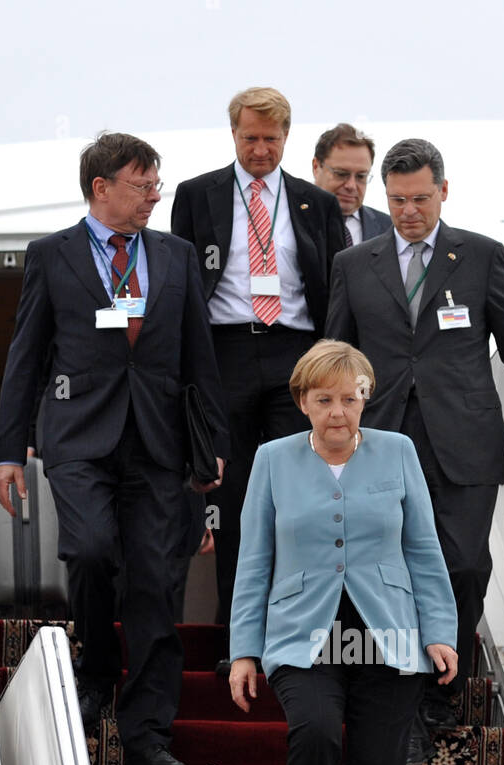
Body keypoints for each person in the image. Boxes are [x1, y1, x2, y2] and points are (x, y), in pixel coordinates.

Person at [325, 137, 504, 765]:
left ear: (443, 192)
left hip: (463, 442)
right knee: (381, 571)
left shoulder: (478, 256)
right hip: (381, 443)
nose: (408, 211)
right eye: (397, 200)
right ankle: (399, 699)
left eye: (420, 199)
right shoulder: (355, 264)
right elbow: (333, 358)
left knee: (462, 567)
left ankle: (438, 687)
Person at [0, 132, 228, 765]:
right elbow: (26, 356)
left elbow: (198, 357)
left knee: (154, 580)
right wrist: (8, 450)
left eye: (156, 182)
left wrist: (212, 448)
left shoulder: (176, 256)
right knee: (93, 549)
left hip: (158, 442)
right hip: (77, 437)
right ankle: (95, 668)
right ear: (101, 188)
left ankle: (148, 728)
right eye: (140, 183)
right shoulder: (52, 255)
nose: (154, 194)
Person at [228, 340, 457, 765]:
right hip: (304, 637)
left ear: (365, 400)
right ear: (303, 402)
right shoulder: (272, 460)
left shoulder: (398, 452)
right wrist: (245, 650)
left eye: (349, 399)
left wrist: (439, 632)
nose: (338, 411)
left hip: (389, 637)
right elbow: (254, 560)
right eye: (324, 399)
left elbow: (423, 550)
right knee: (317, 735)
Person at [171, 87, 347, 672]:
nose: (260, 148)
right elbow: (181, 285)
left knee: (295, 497)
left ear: (287, 139)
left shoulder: (314, 204)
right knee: (233, 501)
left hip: (297, 357)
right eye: (250, 137)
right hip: (222, 355)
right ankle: (235, 640)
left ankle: (296, 638)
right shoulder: (198, 195)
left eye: (271, 139)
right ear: (233, 134)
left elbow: (336, 289)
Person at [312, 123, 392, 246]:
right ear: (316, 167)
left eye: (361, 176)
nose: (351, 186)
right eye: (341, 174)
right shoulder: (291, 220)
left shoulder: (390, 229)